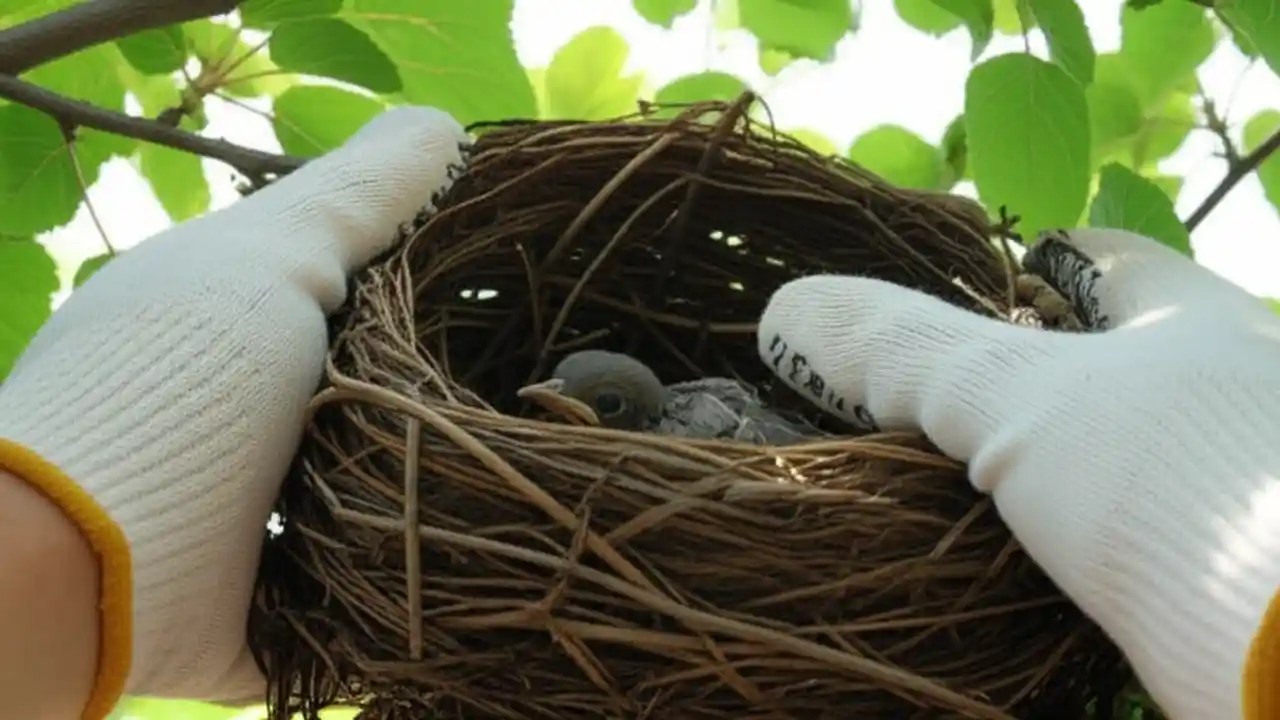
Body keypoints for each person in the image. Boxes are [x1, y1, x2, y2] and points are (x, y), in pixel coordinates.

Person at [0, 105, 1272, 720]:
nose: (557, 409)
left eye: (598, 404)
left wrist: (55, 553)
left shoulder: (741, 447)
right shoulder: (521, 458)